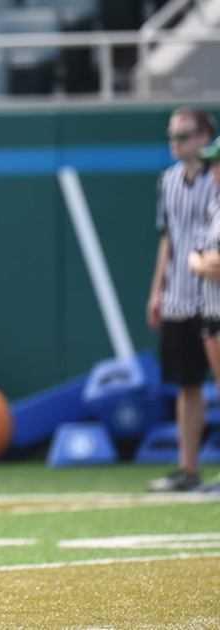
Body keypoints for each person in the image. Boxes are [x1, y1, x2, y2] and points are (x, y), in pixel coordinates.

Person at [146, 107, 218, 492]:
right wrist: (157, 289)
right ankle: (187, 469)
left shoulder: (216, 181)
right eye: (172, 136)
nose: (175, 143)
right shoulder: (168, 181)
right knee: (186, 384)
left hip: (213, 298)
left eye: (183, 136)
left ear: (204, 138)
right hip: (178, 296)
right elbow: (168, 239)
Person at [187, 137, 220, 493]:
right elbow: (194, 251)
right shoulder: (215, 204)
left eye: (216, 162)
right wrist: (203, 264)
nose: (212, 169)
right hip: (212, 311)